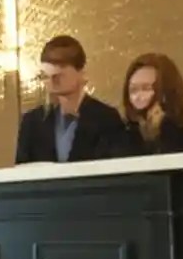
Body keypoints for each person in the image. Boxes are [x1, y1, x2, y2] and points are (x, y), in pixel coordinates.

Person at [15, 35, 131, 164]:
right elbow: (23, 170)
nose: (52, 82)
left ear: (81, 73)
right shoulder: (32, 122)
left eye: (59, 76)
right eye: (45, 76)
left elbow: (115, 167)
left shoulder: (105, 118)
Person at [120, 52, 183, 154]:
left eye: (146, 88)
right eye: (133, 90)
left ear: (166, 94)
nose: (138, 97)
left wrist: (165, 131)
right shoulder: (120, 145)